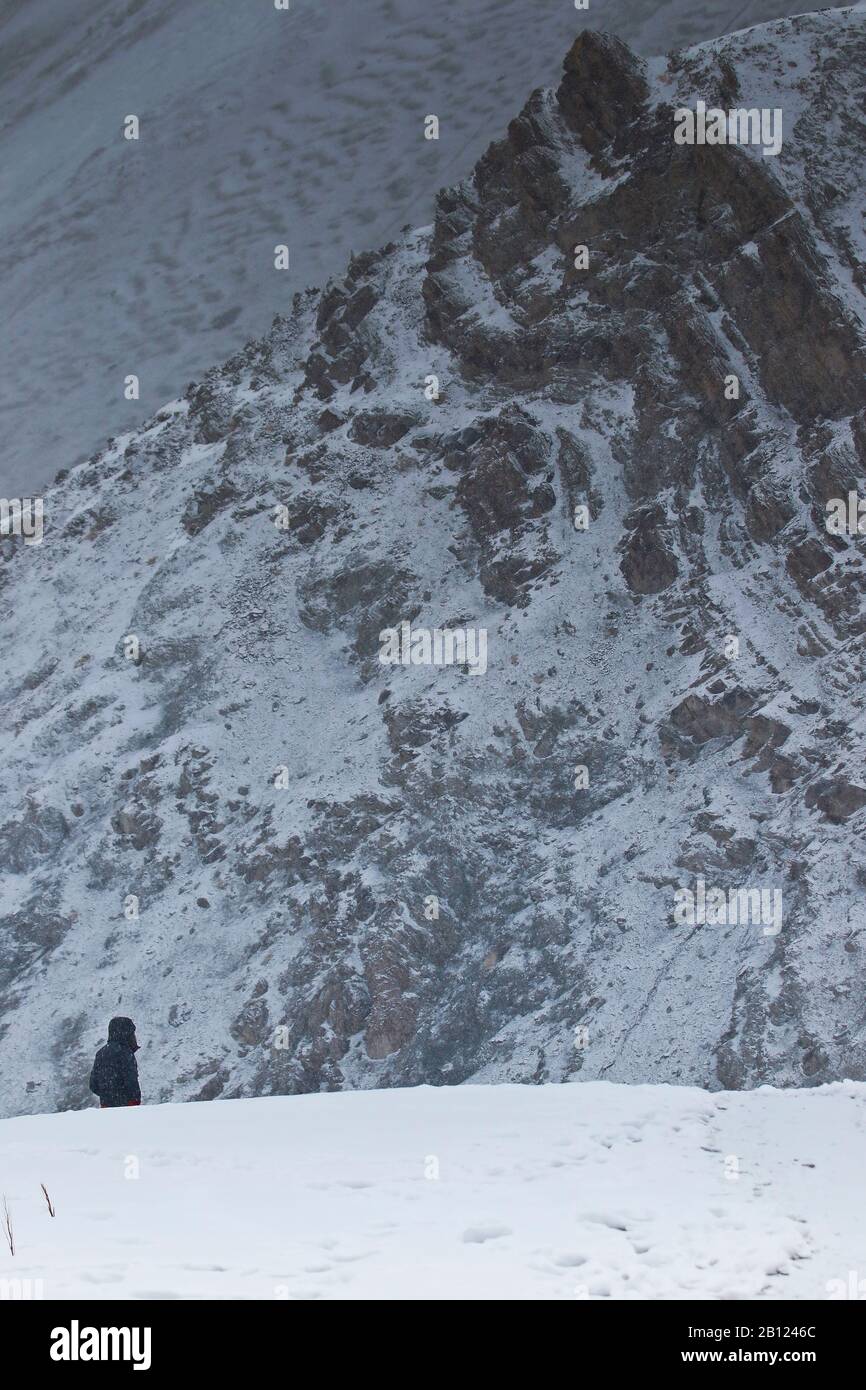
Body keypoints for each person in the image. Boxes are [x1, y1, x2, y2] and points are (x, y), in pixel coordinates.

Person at [89, 1016, 141, 1108]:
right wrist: (134, 1101)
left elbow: (93, 1085)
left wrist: (107, 1095)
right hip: (127, 1107)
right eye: (132, 1033)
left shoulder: (100, 1053)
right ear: (127, 1034)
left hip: (106, 1108)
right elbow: (131, 1081)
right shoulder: (125, 1053)